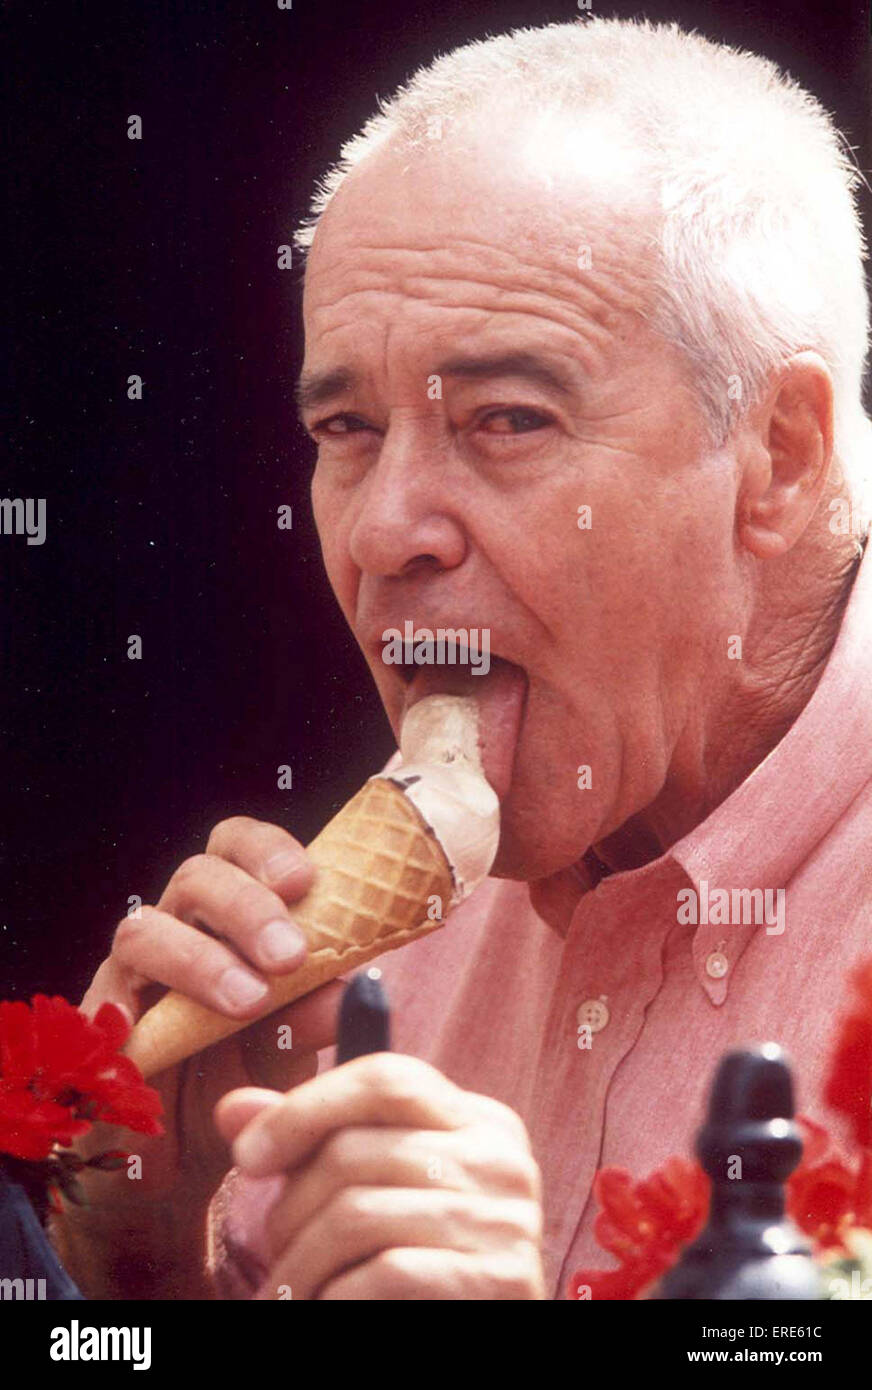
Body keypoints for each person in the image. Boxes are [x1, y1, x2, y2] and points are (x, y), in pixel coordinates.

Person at [51, 18, 871, 1300]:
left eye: (506, 417)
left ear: (775, 455)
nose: (382, 531)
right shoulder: (337, 970)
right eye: (346, 426)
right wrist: (143, 1264)